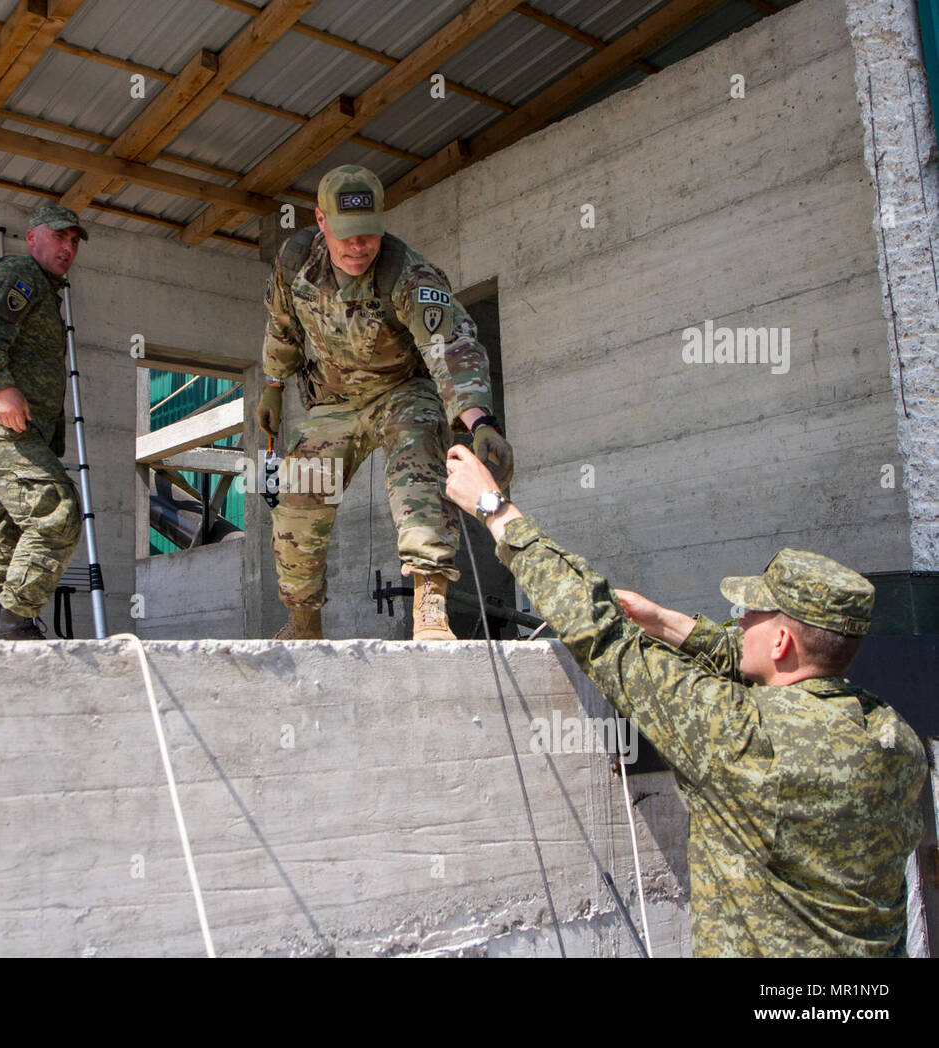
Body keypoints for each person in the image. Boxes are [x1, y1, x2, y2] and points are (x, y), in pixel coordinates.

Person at [444, 444, 928, 956]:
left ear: (782, 642)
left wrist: (495, 509)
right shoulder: (895, 737)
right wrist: (665, 622)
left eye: (752, 613)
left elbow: (602, 635)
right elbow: (751, 659)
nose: (740, 619)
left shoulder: (741, 734)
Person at [257, 164, 513, 640]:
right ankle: (304, 620)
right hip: (335, 402)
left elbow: (450, 347)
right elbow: (282, 324)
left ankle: (430, 606)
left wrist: (481, 421)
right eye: (347, 235)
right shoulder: (295, 264)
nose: (359, 246)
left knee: (420, 471)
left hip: (402, 392)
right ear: (321, 221)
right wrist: (273, 383)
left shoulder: (408, 273)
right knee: (296, 498)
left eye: (369, 234)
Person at [0, 202, 88, 640]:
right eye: (58, 236)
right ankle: (14, 623)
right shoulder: (21, 274)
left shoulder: (43, 290)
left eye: (73, 241)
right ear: (32, 238)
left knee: (10, 530)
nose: (67, 248)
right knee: (57, 509)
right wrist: (1, 385)